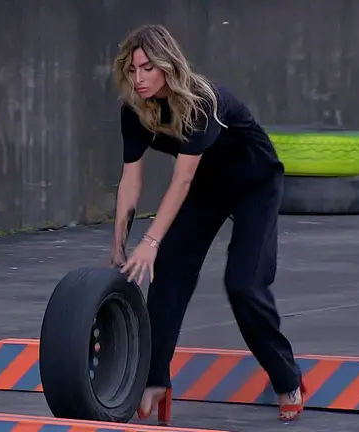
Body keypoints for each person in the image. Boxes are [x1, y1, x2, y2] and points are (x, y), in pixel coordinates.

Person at [108, 24, 306, 424]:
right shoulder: (136, 109)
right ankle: (155, 382)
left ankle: (288, 378)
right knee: (170, 270)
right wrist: (118, 246)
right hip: (207, 187)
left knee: (244, 285)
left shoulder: (200, 101)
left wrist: (150, 240)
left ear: (167, 65)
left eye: (147, 68)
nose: (139, 78)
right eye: (132, 70)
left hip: (255, 183)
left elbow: (180, 181)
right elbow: (131, 177)